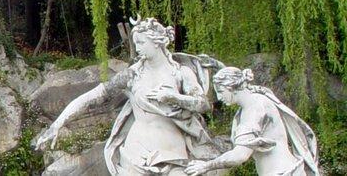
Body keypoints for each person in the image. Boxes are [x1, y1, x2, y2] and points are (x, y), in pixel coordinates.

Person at [35, 17, 216, 175]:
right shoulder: (132, 75)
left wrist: (174, 97)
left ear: (157, 42)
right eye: (135, 43)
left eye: (141, 43)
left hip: (171, 149)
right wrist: (58, 123)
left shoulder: (180, 73)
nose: (137, 48)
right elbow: (92, 97)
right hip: (136, 149)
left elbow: (203, 104)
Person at [184, 67, 319, 176]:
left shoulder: (255, 107)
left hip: (282, 172)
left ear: (232, 87)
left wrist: (206, 166)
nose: (219, 97)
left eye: (221, 91)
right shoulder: (249, 106)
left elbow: (240, 155)